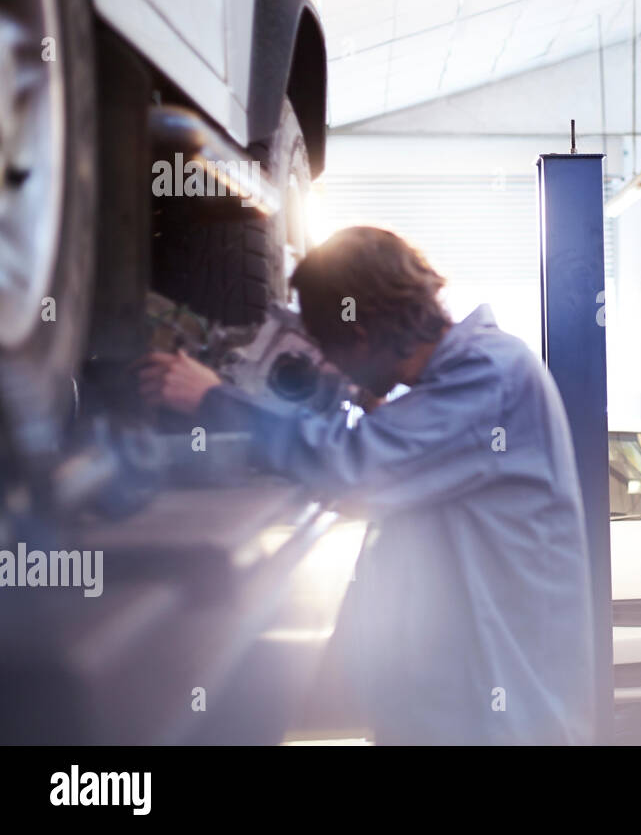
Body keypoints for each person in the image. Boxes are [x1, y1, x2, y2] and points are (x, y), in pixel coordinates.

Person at [137, 226, 596, 744]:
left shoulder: (492, 374)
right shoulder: (464, 380)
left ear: (361, 335)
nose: (331, 370)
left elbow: (353, 469)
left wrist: (215, 399)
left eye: (330, 350)